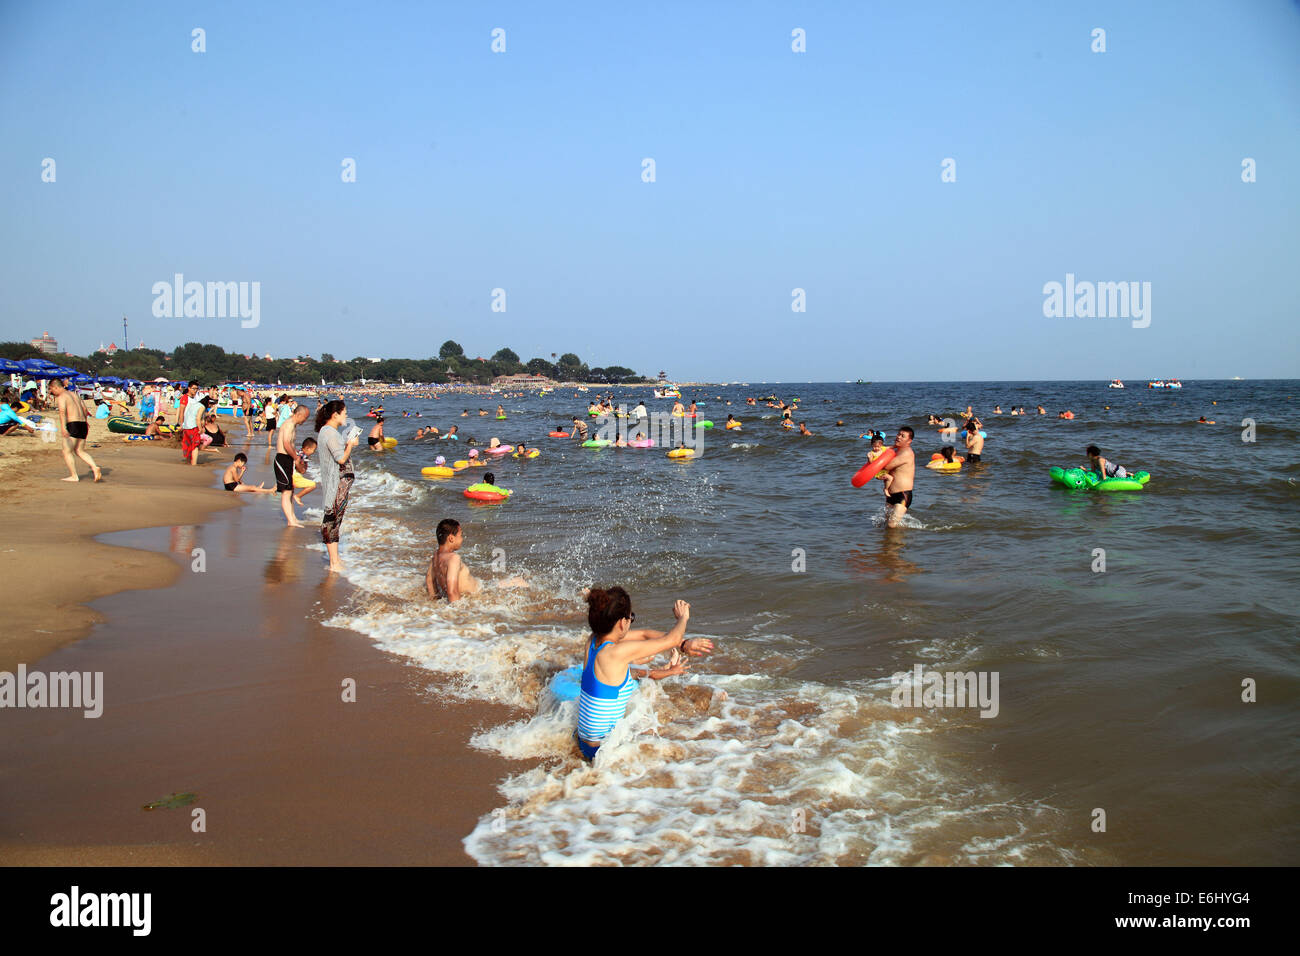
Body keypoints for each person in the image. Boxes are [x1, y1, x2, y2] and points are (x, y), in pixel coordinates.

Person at [573, 587, 715, 762]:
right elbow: (669, 640)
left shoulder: (593, 640)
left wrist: (684, 644)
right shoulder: (616, 652)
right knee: (665, 738)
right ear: (621, 623)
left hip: (582, 742)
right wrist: (683, 617)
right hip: (602, 751)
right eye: (630, 617)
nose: (631, 622)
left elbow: (644, 634)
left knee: (645, 726)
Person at [426, 517, 526, 601]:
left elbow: (430, 581)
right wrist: (457, 615)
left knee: (514, 582)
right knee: (520, 581)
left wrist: (435, 600)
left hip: (474, 592)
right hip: (479, 593)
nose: (462, 539)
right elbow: (452, 591)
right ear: (451, 538)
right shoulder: (453, 558)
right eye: (461, 535)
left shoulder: (436, 556)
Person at [316, 400, 359, 572]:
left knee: (335, 519)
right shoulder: (330, 433)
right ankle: (334, 562)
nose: (346, 415)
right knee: (332, 520)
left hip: (337, 483)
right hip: (335, 484)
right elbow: (341, 459)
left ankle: (335, 559)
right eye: (344, 412)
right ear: (335, 414)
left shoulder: (328, 432)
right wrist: (350, 444)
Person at [49, 378, 101, 482]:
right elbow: (85, 410)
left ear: (56, 387)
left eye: (51, 389)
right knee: (79, 450)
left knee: (66, 451)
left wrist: (63, 427)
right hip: (82, 424)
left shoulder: (62, 397)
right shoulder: (75, 395)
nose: (51, 392)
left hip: (73, 424)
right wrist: (85, 422)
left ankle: (74, 476)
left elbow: (62, 413)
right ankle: (94, 467)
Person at [276, 403, 311, 527]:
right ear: (299, 414)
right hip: (282, 459)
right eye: (305, 417)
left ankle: (293, 518)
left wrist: (297, 455)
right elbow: (286, 444)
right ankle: (291, 521)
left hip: (287, 458)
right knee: (286, 491)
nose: (305, 420)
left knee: (290, 490)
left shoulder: (293, 425)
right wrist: (296, 458)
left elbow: (290, 445)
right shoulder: (289, 424)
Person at [880, 426, 916, 528]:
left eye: (902, 436)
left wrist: (876, 458)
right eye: (898, 434)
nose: (898, 437)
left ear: (909, 441)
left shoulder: (907, 453)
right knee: (887, 525)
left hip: (903, 494)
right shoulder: (896, 451)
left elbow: (886, 466)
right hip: (890, 495)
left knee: (892, 525)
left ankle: (901, 542)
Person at [293, 437, 318, 504]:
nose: (314, 452)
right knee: (313, 485)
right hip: (295, 477)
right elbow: (302, 469)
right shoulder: (304, 456)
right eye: (314, 450)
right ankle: (298, 496)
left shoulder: (298, 452)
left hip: (291, 475)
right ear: (307, 448)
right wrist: (302, 468)